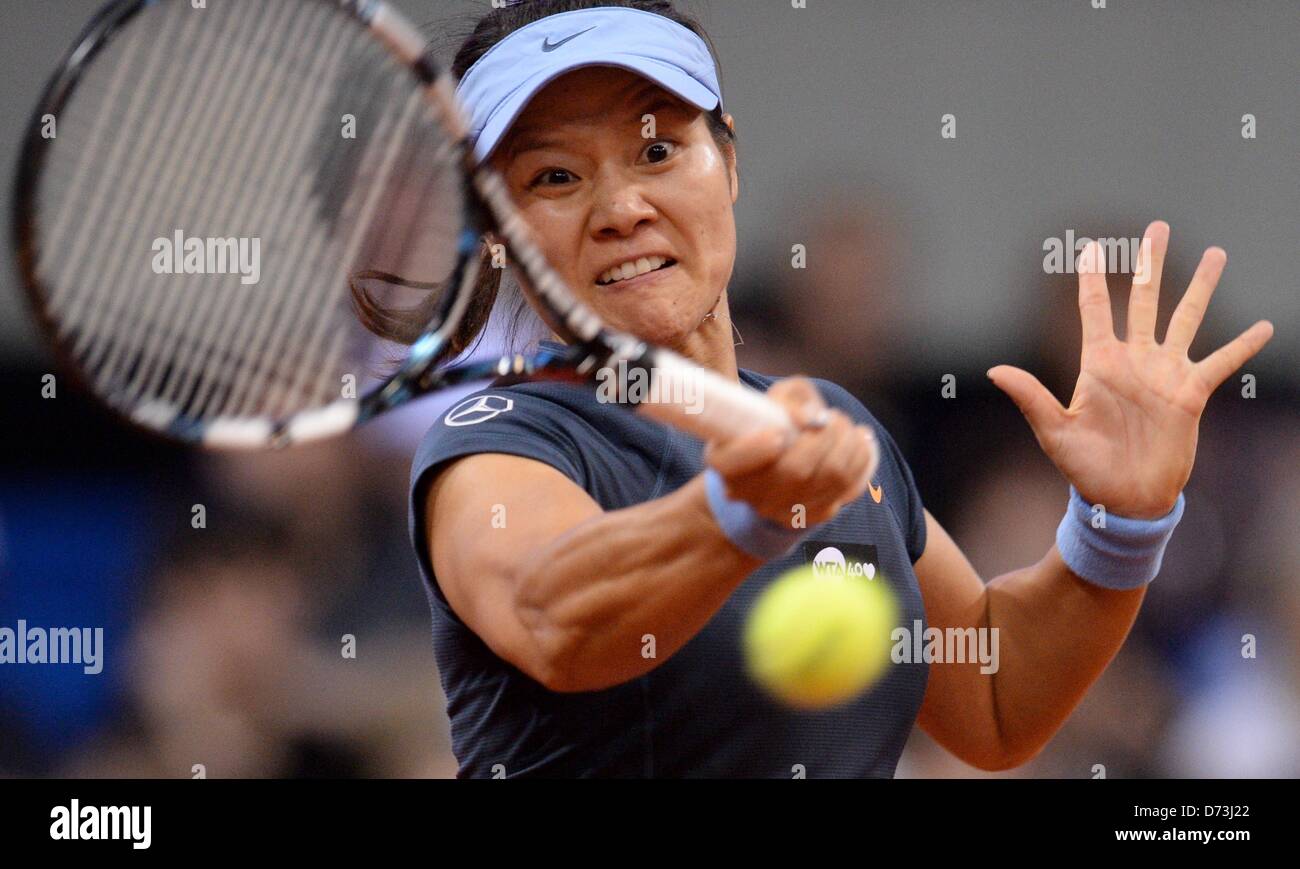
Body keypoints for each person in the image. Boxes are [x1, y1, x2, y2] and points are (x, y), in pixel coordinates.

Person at [378, 0, 1274, 777]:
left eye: (657, 148)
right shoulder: (493, 445)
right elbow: (553, 617)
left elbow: (996, 704)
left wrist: (1120, 524)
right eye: (555, 177)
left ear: (727, 162)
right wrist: (739, 513)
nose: (619, 208)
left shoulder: (841, 427)